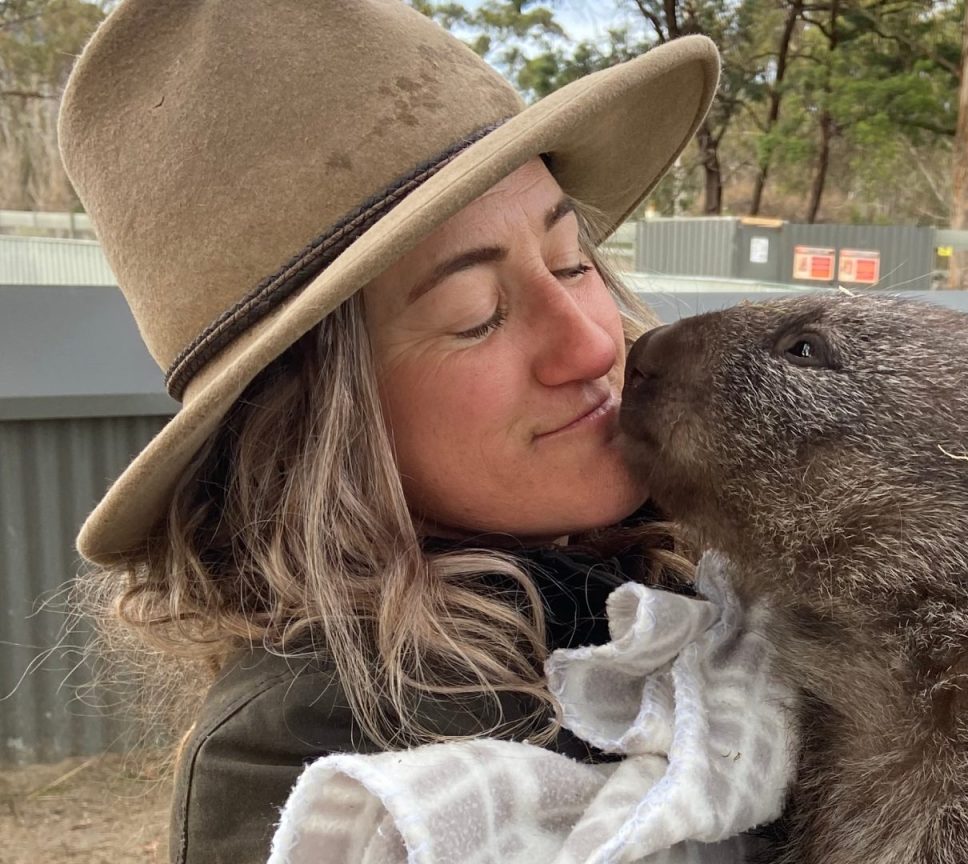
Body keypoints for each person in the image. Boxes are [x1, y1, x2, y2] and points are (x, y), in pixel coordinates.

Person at [56, 2, 720, 862]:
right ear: (313, 430)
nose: (595, 343)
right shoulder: (315, 762)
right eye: (476, 315)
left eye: (573, 263)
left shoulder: (708, 571)